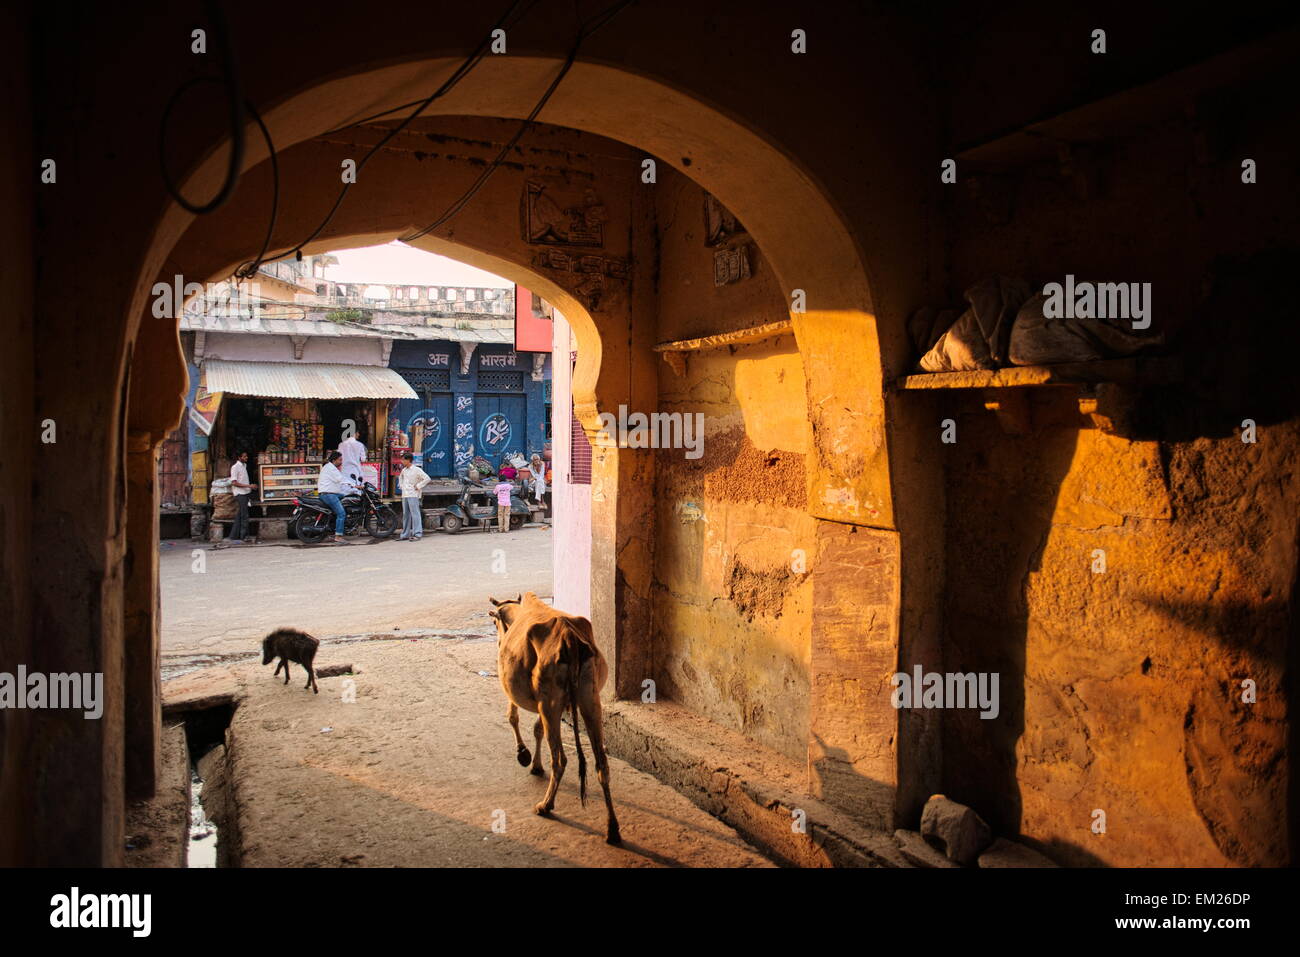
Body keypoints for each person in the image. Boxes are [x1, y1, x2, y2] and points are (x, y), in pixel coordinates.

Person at [317, 450, 351, 545]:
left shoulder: (330, 467)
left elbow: (340, 479)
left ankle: (334, 528)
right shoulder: (331, 468)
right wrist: (354, 485)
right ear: (334, 460)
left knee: (346, 497)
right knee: (341, 514)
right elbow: (340, 479)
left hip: (331, 493)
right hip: (328, 494)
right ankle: (338, 536)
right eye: (340, 460)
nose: (341, 462)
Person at [397, 452, 431, 541]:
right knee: (406, 515)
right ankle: (405, 534)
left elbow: (427, 478)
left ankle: (417, 534)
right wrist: (401, 486)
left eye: (403, 459)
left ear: (408, 460)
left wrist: (418, 486)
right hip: (405, 494)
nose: (402, 461)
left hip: (413, 494)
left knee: (415, 514)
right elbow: (400, 478)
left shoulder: (416, 470)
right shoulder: (404, 470)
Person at [228, 451, 254, 543]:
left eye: (246, 456)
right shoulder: (235, 467)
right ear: (239, 457)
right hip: (240, 494)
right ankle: (244, 536)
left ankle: (233, 535)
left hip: (245, 493)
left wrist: (248, 488)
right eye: (244, 456)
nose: (246, 458)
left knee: (240, 515)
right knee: (244, 515)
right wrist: (249, 486)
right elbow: (234, 482)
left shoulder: (244, 466)